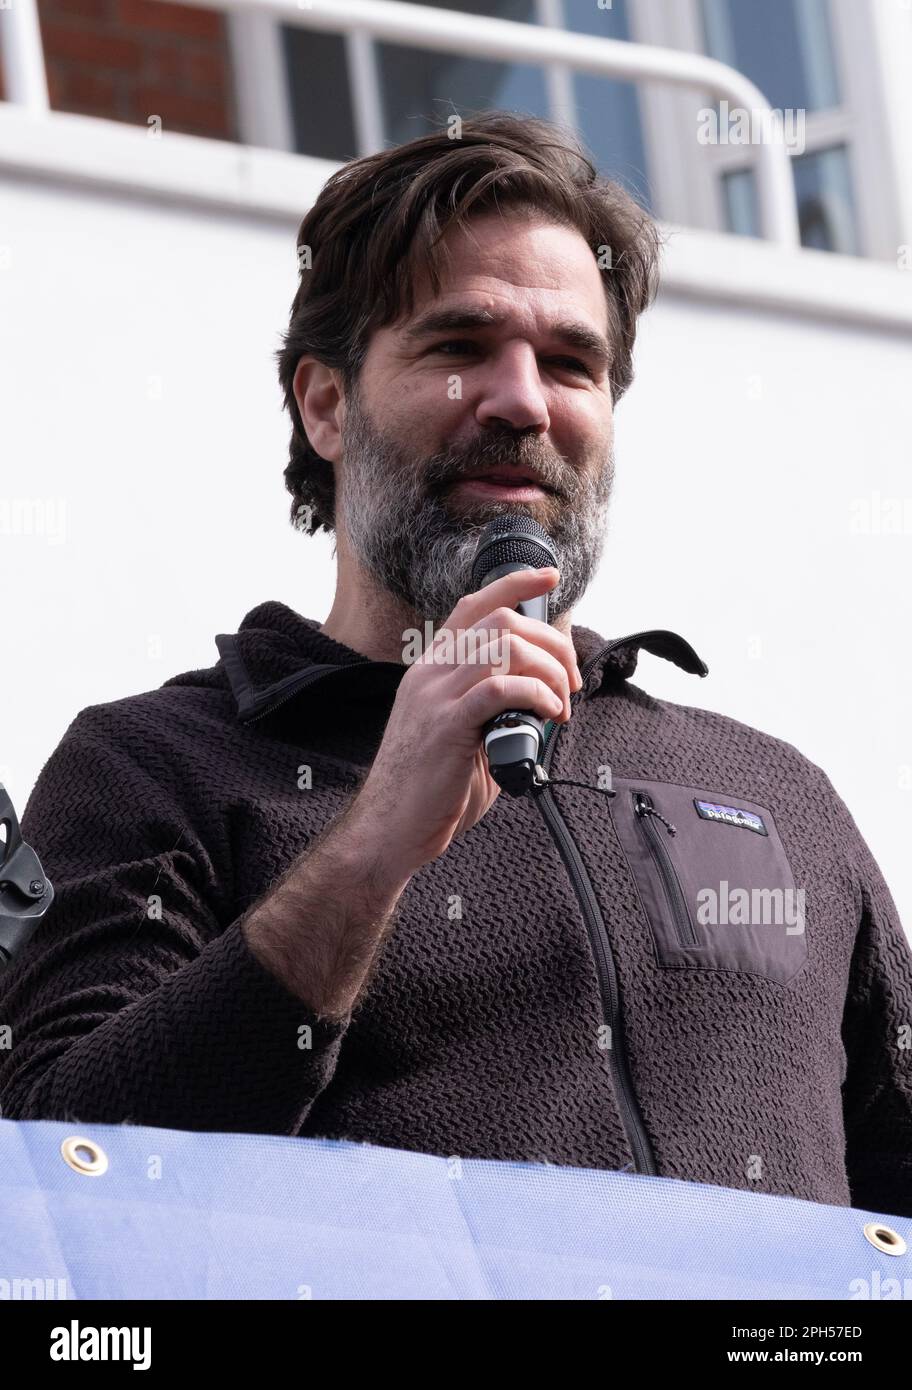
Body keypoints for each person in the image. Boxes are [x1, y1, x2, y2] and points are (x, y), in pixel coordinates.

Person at [1, 113, 909, 1219]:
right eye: (459, 346)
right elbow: (60, 1174)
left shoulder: (780, 793)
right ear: (325, 403)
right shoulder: (151, 767)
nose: (523, 399)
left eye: (572, 363)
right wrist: (375, 847)